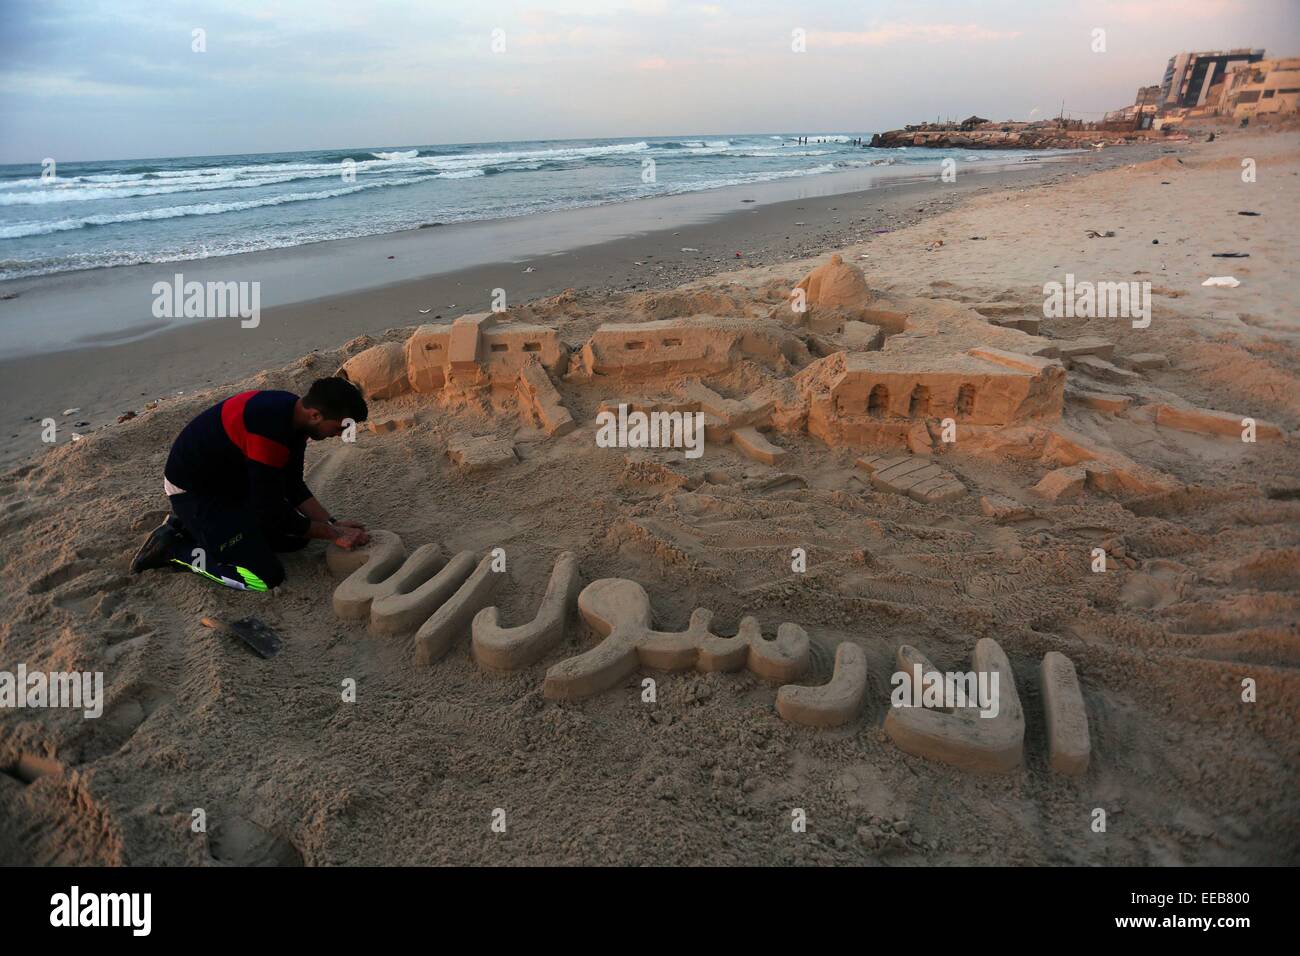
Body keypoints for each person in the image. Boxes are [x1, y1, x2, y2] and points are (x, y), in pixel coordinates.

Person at [130, 377, 371, 592]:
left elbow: (292, 484)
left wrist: (330, 523)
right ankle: (174, 549)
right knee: (263, 577)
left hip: (231, 481)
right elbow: (271, 510)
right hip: (195, 492)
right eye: (340, 427)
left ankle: (192, 526)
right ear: (316, 415)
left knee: (297, 538)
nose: (340, 434)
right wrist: (333, 534)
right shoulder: (268, 430)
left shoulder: (295, 416)